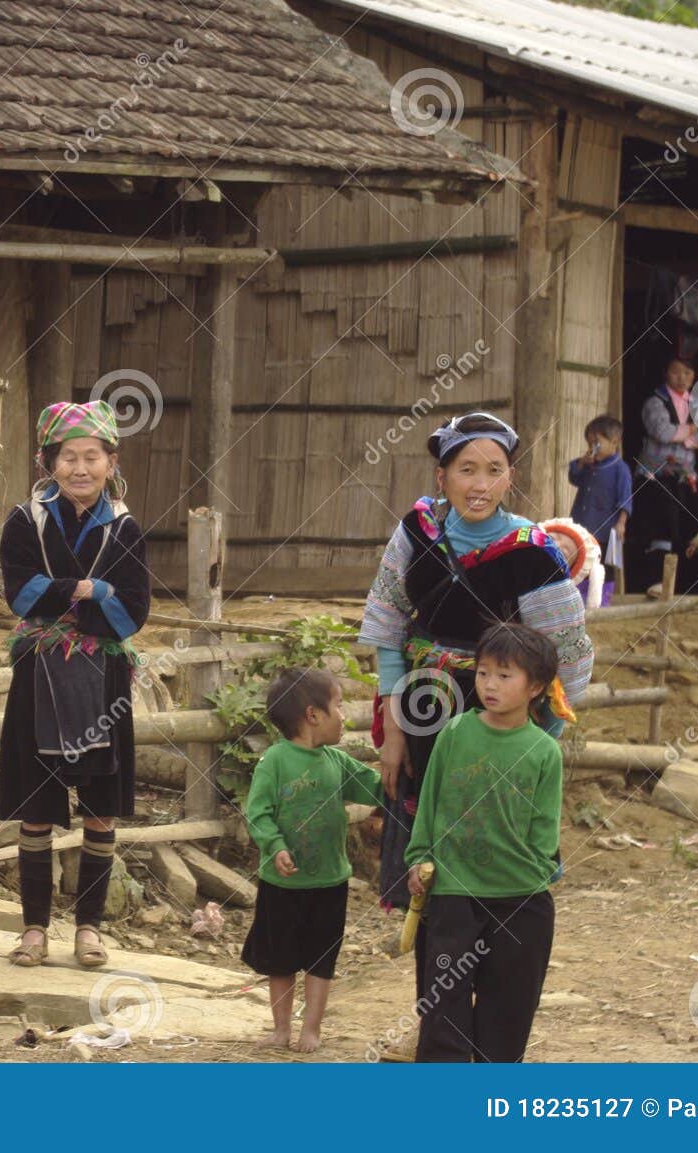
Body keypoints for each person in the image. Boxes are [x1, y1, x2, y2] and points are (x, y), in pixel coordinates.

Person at [357, 411, 591, 1061]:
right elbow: (386, 627)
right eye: (466, 469)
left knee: (497, 869)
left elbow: (563, 652)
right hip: (426, 710)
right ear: (443, 475)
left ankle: (492, 1029)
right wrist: (394, 731)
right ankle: (437, 1022)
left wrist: (531, 730)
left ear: (509, 476)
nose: (479, 483)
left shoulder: (529, 550)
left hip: (505, 710)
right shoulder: (418, 531)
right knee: (432, 872)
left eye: (493, 470)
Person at [0, 400, 150, 970]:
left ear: (111, 461)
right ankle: (34, 930)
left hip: (101, 679)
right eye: (68, 457)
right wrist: (87, 589)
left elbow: (133, 609)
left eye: (92, 456)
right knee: (36, 808)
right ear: (48, 462)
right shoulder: (24, 521)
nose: (80, 468)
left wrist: (81, 595)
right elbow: (19, 593)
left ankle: (88, 929)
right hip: (38, 673)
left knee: (99, 809)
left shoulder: (125, 528)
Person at [406, 623, 563, 1063]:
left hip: (520, 901)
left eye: (504, 675)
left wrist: (531, 870)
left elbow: (545, 829)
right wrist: (420, 857)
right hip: (454, 897)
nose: (489, 685)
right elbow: (431, 800)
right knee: (442, 1015)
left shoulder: (543, 750)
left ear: (535, 687)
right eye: (483, 673)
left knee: (507, 1016)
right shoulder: (455, 732)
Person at [243, 667, 382, 1054]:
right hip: (282, 884)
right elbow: (258, 812)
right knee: (280, 960)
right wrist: (275, 846)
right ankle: (281, 1028)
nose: (344, 715)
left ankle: (312, 1030)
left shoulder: (336, 762)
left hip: (329, 882)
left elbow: (375, 788)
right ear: (313, 715)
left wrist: (397, 779)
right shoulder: (275, 761)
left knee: (322, 960)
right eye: (338, 706)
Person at [635, 358, 698, 593]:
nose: (682, 377)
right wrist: (692, 431)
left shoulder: (696, 404)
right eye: (676, 372)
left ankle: (677, 585)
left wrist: (683, 433)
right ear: (666, 373)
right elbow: (662, 432)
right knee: (658, 528)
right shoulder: (655, 402)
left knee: (681, 530)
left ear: (694, 376)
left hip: (684, 478)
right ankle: (654, 582)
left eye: (687, 372)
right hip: (655, 476)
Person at [567, 414, 631, 550]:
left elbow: (625, 499)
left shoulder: (620, 469)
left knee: (600, 566)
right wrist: (581, 463)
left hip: (604, 530)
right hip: (581, 524)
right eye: (589, 443)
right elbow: (574, 479)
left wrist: (621, 524)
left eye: (596, 443)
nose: (592, 447)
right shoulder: (589, 464)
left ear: (614, 441)